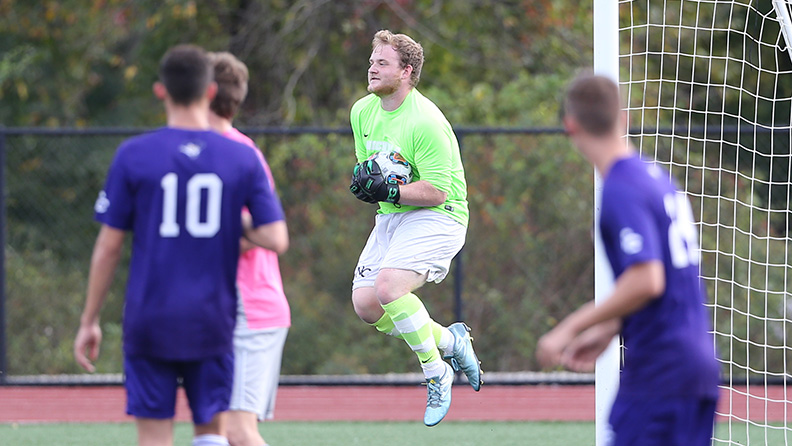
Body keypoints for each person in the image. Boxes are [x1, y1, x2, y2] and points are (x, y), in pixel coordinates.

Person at [73, 44, 289, 446]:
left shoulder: (134, 155)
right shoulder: (239, 158)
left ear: (161, 91)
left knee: (154, 436)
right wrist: (229, 219)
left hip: (150, 317)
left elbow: (108, 248)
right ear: (210, 92)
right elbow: (275, 237)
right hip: (213, 318)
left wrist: (90, 319)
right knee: (212, 432)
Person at [535, 73, 720, 445]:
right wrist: (610, 327)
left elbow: (647, 279)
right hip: (695, 365)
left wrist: (569, 327)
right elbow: (661, 281)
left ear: (570, 126)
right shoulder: (656, 176)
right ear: (624, 119)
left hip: (660, 372)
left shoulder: (622, 189)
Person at [348, 29, 482, 427]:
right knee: (367, 304)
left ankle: (436, 371)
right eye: (372, 61)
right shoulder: (362, 111)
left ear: (406, 71)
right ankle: (450, 341)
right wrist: (366, 182)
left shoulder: (426, 121)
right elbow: (368, 169)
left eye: (382, 63)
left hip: (442, 215)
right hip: (394, 215)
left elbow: (439, 192)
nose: (372, 67)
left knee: (389, 288)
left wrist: (389, 187)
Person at [207, 51, 290, 446]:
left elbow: (261, 234)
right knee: (214, 431)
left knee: (239, 431)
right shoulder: (197, 151)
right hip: (217, 309)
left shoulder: (238, 155)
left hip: (250, 308)